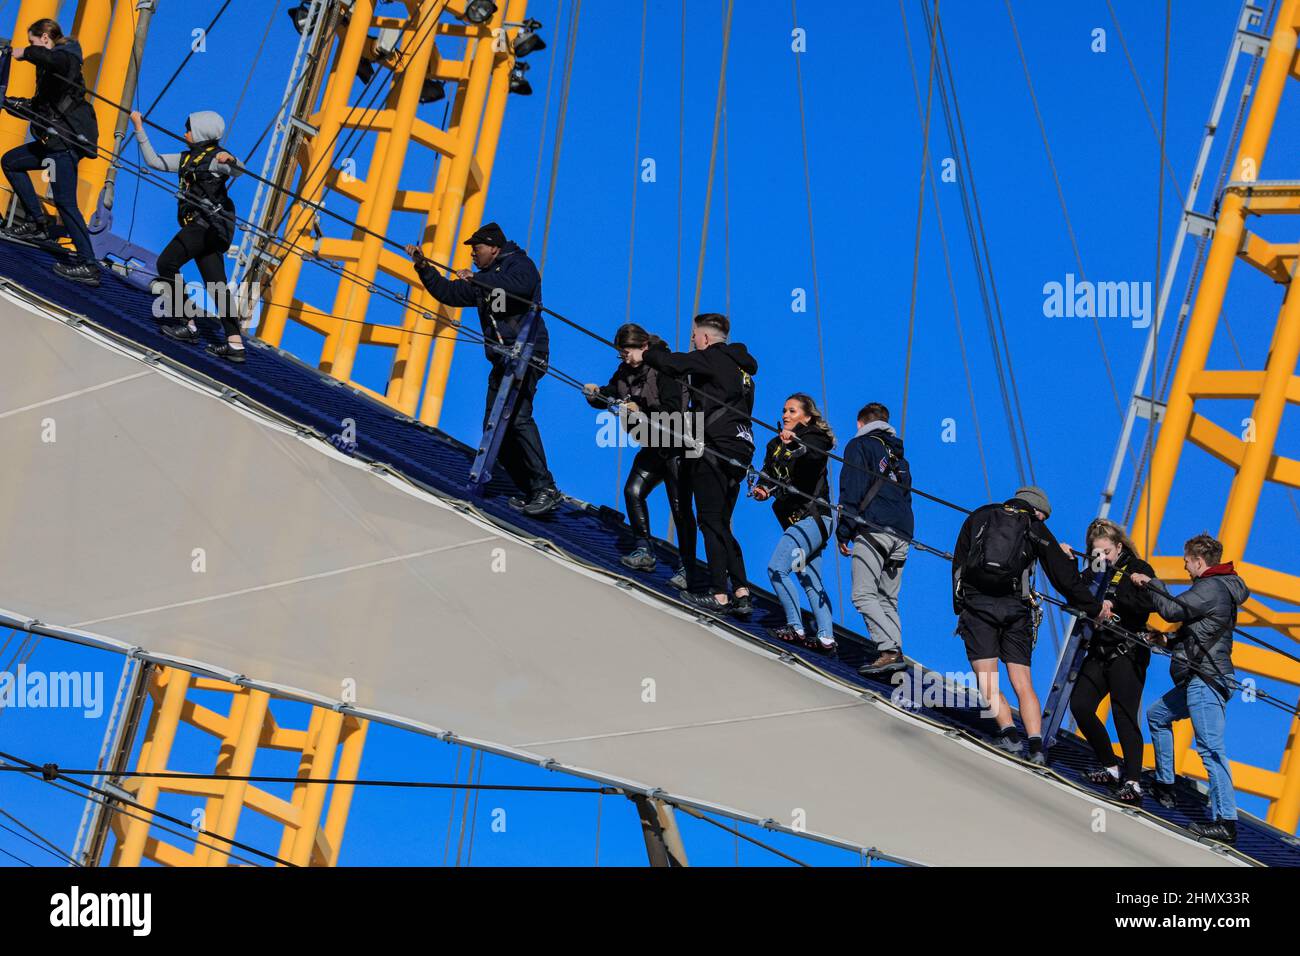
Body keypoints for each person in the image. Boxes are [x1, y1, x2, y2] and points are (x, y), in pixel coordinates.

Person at [407, 221, 560, 516]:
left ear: (493, 247)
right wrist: (424, 267)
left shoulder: (519, 264)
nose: (472, 256)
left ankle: (545, 488)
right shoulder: (484, 281)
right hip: (504, 360)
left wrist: (478, 281)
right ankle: (532, 492)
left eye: (476, 249)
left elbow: (519, 287)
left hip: (526, 353)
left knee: (516, 419)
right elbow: (449, 294)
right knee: (494, 432)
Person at [952, 486, 1101, 764]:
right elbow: (1062, 578)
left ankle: (1009, 735)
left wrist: (959, 603)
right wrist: (1091, 606)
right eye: (1043, 517)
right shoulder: (1034, 527)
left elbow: (959, 561)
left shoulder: (981, 515)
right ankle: (1036, 747)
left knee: (987, 676)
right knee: (1023, 682)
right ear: (1037, 511)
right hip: (1016, 610)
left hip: (978, 605)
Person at [1131, 533, 1248, 844]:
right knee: (1157, 715)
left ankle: (1226, 822)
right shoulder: (1218, 588)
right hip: (1203, 677)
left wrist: (1151, 582)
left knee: (1211, 750)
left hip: (1206, 680)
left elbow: (1172, 610)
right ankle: (1165, 784)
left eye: (1186, 562)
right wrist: (1164, 641)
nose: (1184, 567)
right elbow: (1196, 635)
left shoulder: (1210, 587)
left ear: (1199, 561)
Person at [642, 312, 757, 614]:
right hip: (741, 449)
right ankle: (742, 591)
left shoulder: (713, 357)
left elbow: (673, 364)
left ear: (705, 338)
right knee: (720, 522)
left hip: (714, 448)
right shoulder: (743, 370)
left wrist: (649, 352)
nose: (692, 341)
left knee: (708, 520)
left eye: (694, 336)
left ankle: (719, 593)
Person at [583, 323, 694, 584]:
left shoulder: (666, 368)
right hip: (654, 445)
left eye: (628, 353)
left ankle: (688, 568)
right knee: (633, 491)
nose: (625, 358)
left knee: (679, 507)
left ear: (644, 347)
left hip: (678, 446)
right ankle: (644, 550)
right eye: (621, 354)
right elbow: (613, 393)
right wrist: (596, 394)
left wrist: (642, 411)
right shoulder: (625, 370)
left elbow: (673, 410)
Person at [131, 109, 246, 362]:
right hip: (210, 230)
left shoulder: (216, 158)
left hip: (206, 224)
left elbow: (238, 171)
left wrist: (231, 160)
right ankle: (235, 343)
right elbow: (154, 161)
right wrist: (139, 127)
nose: (185, 133)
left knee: (166, 263)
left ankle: (188, 322)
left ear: (202, 132)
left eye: (190, 129)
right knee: (216, 283)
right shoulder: (186, 159)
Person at [1, 18, 100, 285]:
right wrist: (8, 103)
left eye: (33, 41)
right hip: (50, 142)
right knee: (10, 161)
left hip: (63, 145)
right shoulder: (51, 69)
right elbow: (39, 108)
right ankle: (37, 223)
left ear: (45, 38)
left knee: (66, 203)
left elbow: (54, 61)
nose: (30, 47)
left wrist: (25, 53)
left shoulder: (67, 58)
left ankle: (89, 264)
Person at [1066, 518, 1155, 804]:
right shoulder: (1094, 570)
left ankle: (1133, 781)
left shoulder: (1138, 569)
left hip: (1127, 650)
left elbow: (1146, 604)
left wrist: (1114, 604)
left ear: (1118, 547)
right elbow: (1075, 591)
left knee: (1123, 715)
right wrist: (1068, 563)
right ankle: (1109, 765)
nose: (1100, 558)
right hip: (1100, 648)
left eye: (1105, 552)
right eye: (1095, 553)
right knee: (1080, 704)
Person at [753, 393, 836, 654]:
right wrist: (763, 489)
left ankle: (795, 627)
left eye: (792, 411)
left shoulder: (816, 439)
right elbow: (769, 474)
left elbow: (812, 460)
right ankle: (825, 638)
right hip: (796, 520)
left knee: (777, 569)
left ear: (807, 417)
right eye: (784, 411)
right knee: (808, 574)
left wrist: (796, 441)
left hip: (813, 518)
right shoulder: (773, 445)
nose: (785, 416)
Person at [836, 402, 913, 676]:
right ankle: (896, 650)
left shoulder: (859, 446)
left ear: (860, 423)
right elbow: (907, 496)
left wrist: (844, 530)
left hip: (873, 527)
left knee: (862, 594)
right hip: (902, 533)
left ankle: (889, 650)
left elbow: (852, 487)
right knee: (887, 598)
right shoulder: (899, 457)